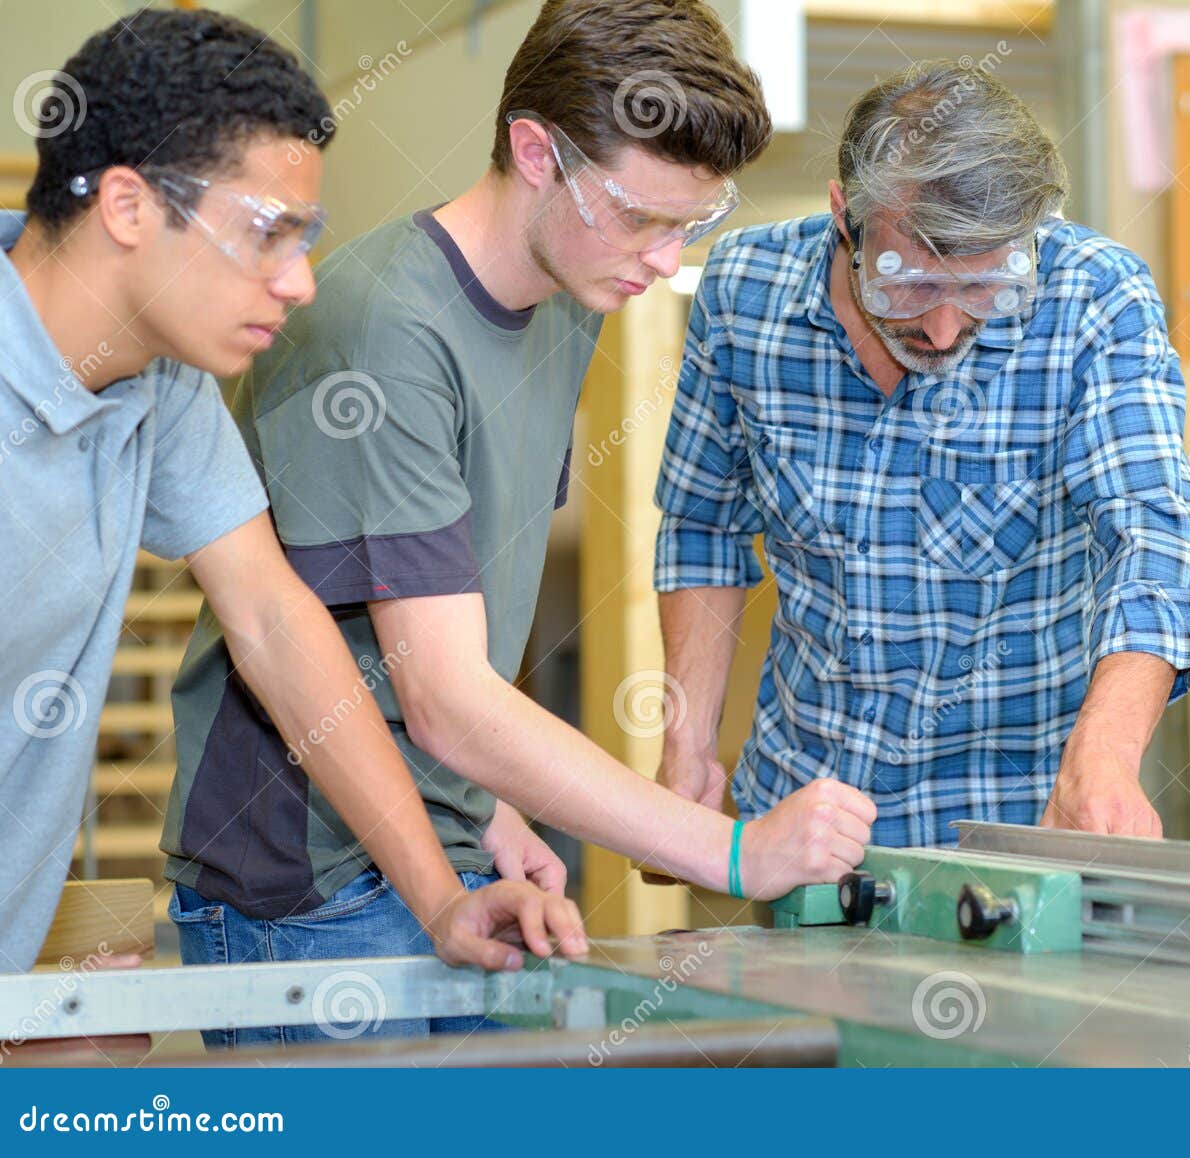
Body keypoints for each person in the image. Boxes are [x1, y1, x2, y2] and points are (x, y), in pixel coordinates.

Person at [161, 0, 875, 1045]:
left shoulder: (570, 297)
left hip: (433, 856)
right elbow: (443, 698)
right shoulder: (379, 329)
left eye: (692, 224)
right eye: (640, 216)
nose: (664, 259)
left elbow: (433, 622)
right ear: (535, 152)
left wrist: (484, 810)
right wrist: (726, 854)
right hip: (309, 887)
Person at [0, 7, 584, 988]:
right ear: (131, 207)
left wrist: (439, 895)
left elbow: (274, 620)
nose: (301, 281)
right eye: (268, 235)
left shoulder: (161, 384)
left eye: (304, 238)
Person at [652, 61, 1190, 847]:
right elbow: (703, 526)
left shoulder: (1095, 297)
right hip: (805, 818)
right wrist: (687, 750)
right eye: (909, 285)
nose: (946, 331)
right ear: (845, 217)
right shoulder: (743, 293)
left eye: (985, 289)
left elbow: (1153, 537)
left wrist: (1107, 760)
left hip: (1021, 824)